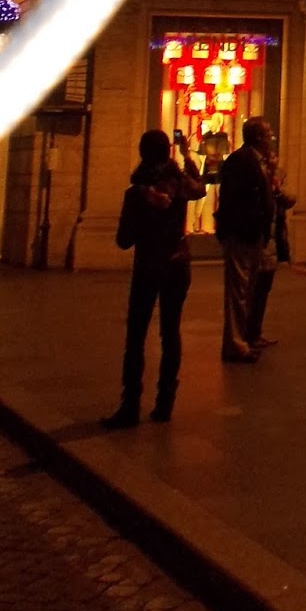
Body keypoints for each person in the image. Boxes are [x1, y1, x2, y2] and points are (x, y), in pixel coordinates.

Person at [102, 129, 205, 428]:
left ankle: (130, 404)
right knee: (170, 333)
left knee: (136, 336)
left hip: (148, 267)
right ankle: (164, 404)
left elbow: (124, 240)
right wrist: (187, 154)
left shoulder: (136, 193)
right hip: (177, 265)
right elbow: (200, 188)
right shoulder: (180, 184)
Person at [215, 115, 275, 363]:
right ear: (258, 137)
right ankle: (236, 344)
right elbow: (234, 200)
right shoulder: (240, 161)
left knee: (247, 289)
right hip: (242, 233)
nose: (271, 138)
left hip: (253, 233)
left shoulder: (259, 161)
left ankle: (244, 338)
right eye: (268, 133)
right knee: (238, 291)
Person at [246, 145, 296, 351]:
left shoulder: (277, 178)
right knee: (254, 289)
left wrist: (276, 188)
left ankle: (255, 332)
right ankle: (249, 333)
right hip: (261, 238)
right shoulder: (256, 175)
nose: (275, 159)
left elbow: (290, 199)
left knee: (263, 288)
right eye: (272, 156)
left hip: (273, 238)